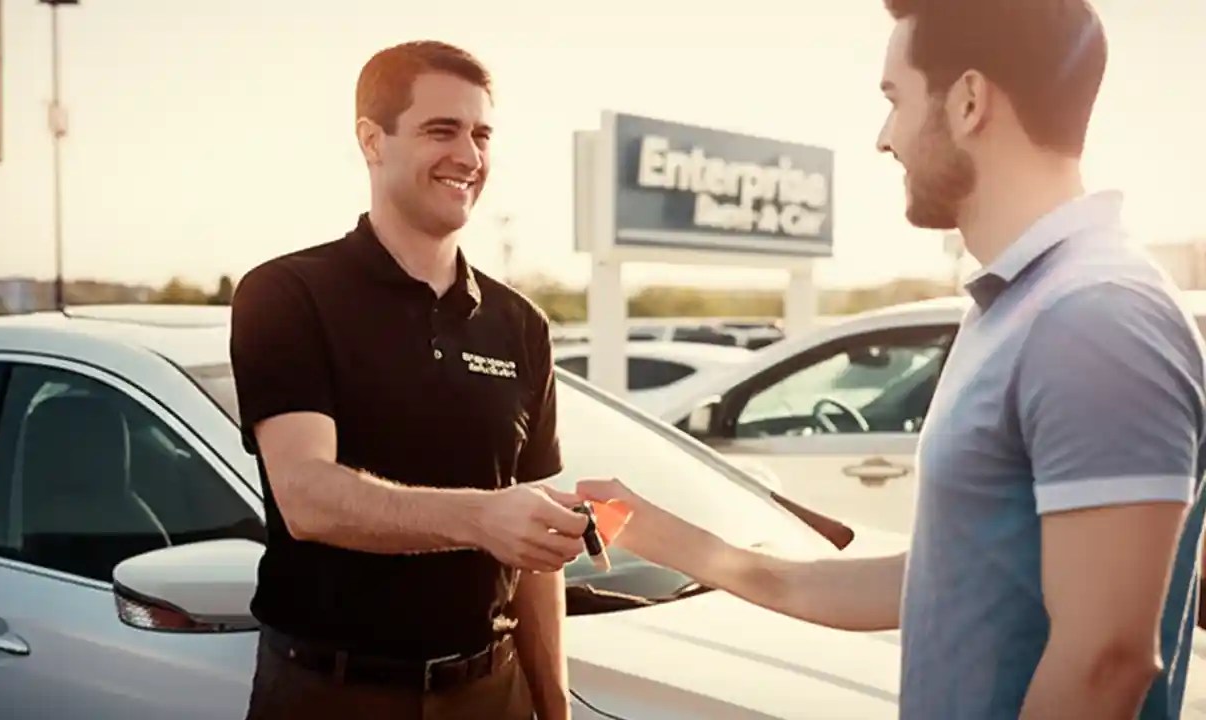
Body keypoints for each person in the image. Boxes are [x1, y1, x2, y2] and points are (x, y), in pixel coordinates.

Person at [578, 1, 1206, 718]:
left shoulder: (1095, 315)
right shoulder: (1014, 307)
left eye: (894, 100)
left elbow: (1106, 662)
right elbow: (936, 580)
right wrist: (657, 530)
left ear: (968, 101)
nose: (885, 138)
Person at [229, 40, 588, 720]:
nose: (470, 157)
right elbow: (307, 496)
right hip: (333, 694)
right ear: (372, 139)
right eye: (441, 130)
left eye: (481, 134)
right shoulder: (287, 293)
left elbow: (539, 549)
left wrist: (554, 706)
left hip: (492, 692)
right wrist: (485, 518)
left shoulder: (521, 325)